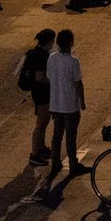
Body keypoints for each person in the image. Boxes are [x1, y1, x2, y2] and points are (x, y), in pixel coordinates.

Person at [46, 29, 89, 175]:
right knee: (71, 137)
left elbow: (49, 77)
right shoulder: (73, 61)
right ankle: (73, 164)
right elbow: (78, 83)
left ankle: (55, 162)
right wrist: (82, 100)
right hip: (70, 105)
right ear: (71, 43)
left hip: (55, 103)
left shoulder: (52, 58)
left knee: (57, 135)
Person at [24, 29, 55, 165]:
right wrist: (53, 80)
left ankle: (41, 148)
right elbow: (40, 77)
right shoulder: (42, 56)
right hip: (42, 93)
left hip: (39, 92)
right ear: (49, 41)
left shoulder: (37, 52)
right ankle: (35, 153)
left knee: (43, 121)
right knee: (41, 123)